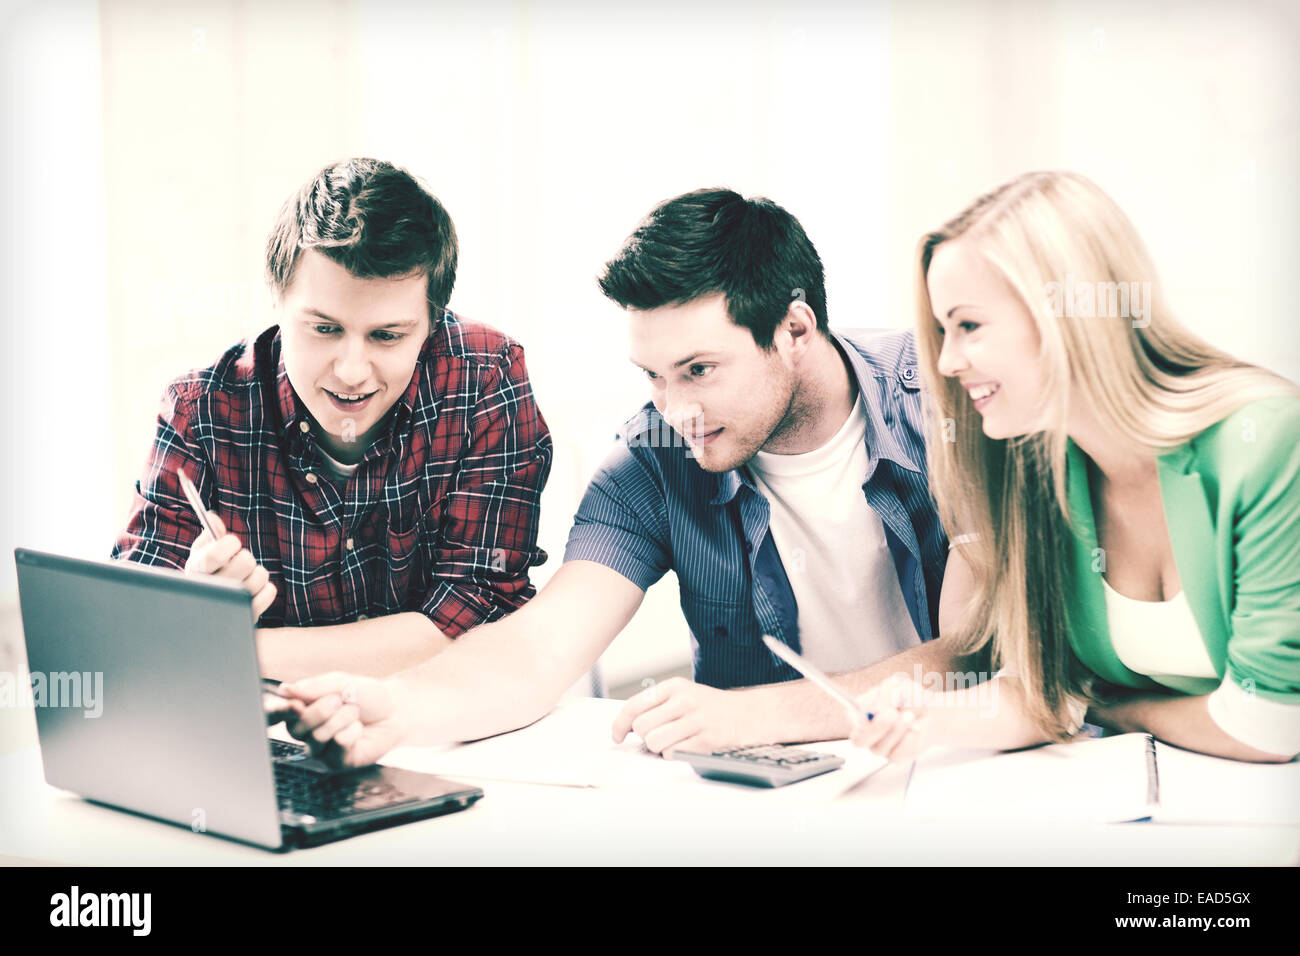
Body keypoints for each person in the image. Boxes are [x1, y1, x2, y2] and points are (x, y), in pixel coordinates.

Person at [275, 188, 978, 766]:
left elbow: (983, 653)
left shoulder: (952, 404)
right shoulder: (654, 455)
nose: (676, 410)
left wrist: (753, 714)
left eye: (699, 370)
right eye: (654, 376)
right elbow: (541, 645)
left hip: (976, 770)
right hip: (784, 811)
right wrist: (398, 709)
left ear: (794, 330)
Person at [850, 170, 1300, 763]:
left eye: (969, 326)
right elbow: (1050, 693)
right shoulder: (1040, 468)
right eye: (941, 330)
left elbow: (1267, 725)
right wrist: (930, 715)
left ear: (1068, 315)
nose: (948, 360)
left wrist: (1118, 709)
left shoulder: (1265, 442)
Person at [111, 158, 553, 681]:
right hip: (271, 734)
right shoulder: (201, 410)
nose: (350, 371)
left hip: (441, 724)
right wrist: (191, 611)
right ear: (277, 300)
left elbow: (480, 609)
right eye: (324, 329)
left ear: (433, 324)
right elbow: (130, 637)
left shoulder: (485, 376)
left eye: (387, 336)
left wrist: (228, 649)